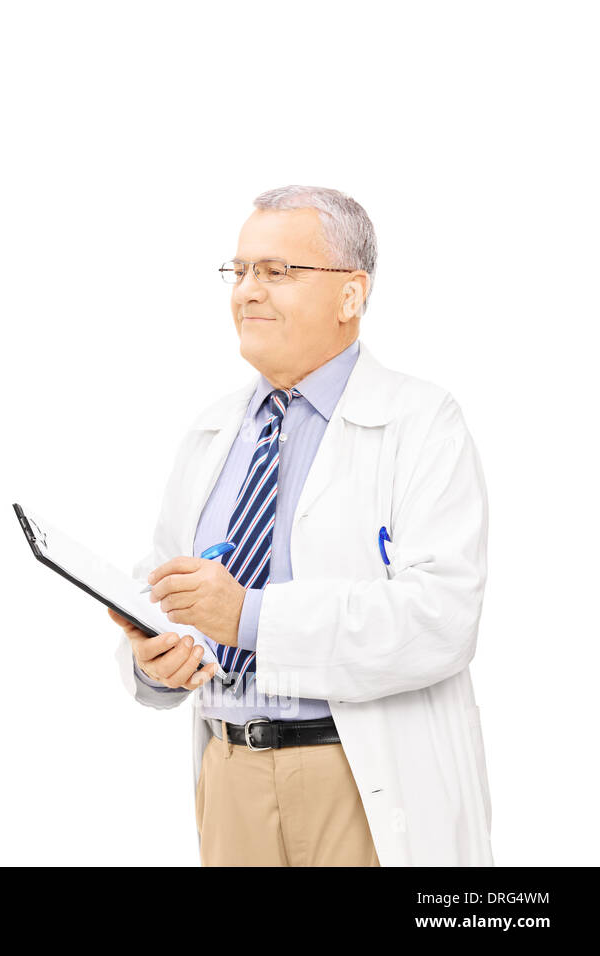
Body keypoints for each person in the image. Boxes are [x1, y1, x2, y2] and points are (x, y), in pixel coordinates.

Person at [112, 185, 492, 866]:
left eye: (277, 271)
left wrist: (250, 619)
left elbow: (442, 617)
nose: (247, 291)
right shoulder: (212, 434)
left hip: (356, 774)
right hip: (229, 773)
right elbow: (166, 584)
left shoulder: (423, 421)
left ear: (351, 295)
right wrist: (157, 657)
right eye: (240, 270)